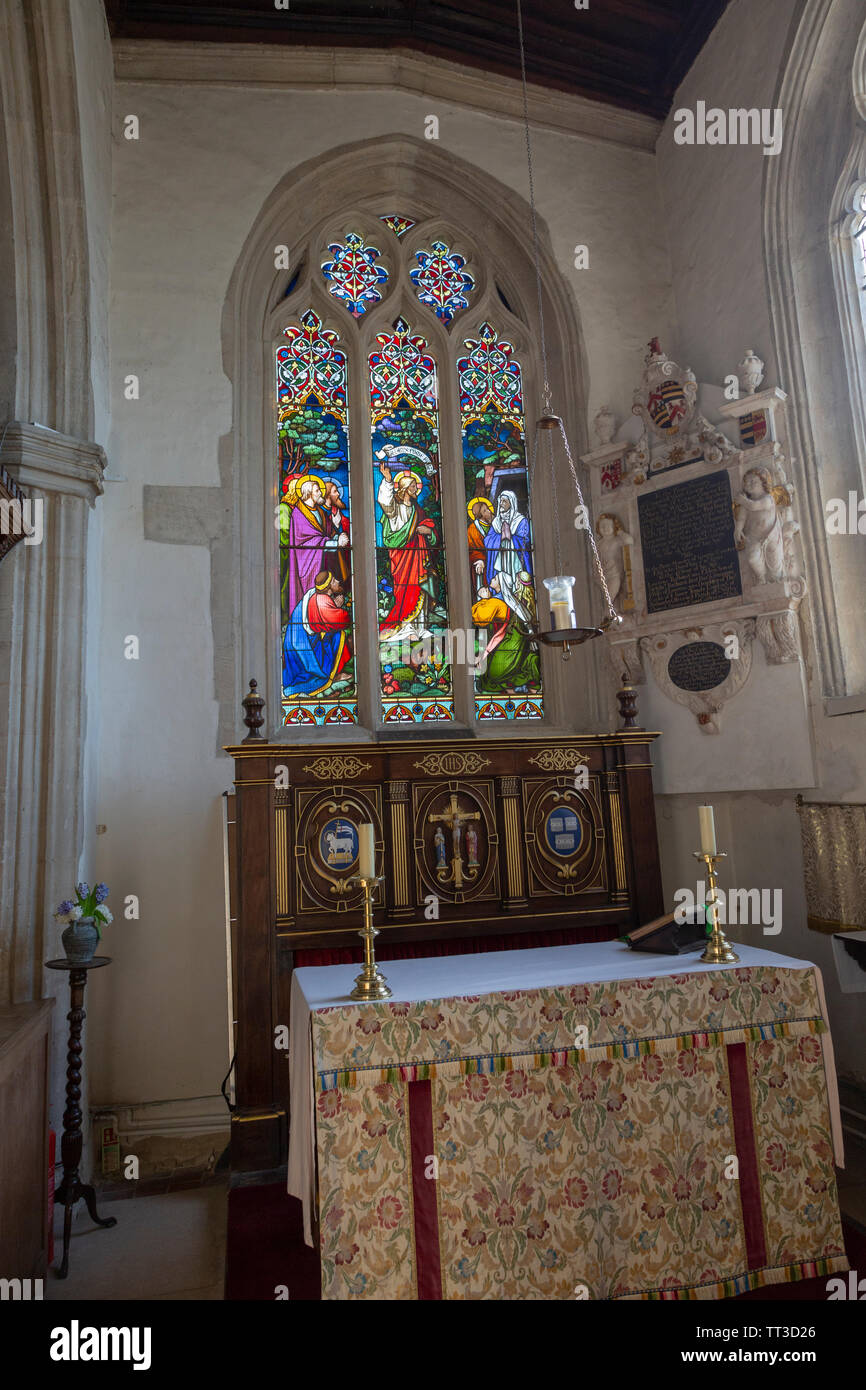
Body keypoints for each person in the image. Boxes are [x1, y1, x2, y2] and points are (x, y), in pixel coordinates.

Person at [376, 463, 439, 639]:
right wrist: (388, 480)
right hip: (402, 556)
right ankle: (407, 627)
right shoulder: (395, 509)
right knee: (406, 589)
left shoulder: (418, 510)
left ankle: (421, 626)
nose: (415, 489)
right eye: (412, 486)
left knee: (421, 586)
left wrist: (429, 532)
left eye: (415, 486)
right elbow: (384, 501)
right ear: (404, 489)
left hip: (419, 553)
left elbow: (430, 529)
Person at [282, 571, 352, 697]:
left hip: (310, 639)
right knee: (339, 636)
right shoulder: (322, 601)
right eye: (334, 580)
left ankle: (335, 673)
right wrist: (339, 607)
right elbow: (342, 620)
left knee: (335, 635)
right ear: (329, 586)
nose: (338, 581)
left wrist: (334, 605)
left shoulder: (319, 596)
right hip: (307, 646)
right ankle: (330, 676)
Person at [472, 587, 540, 695]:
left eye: (494, 578)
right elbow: (496, 635)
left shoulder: (495, 602)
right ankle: (513, 689)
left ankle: (517, 687)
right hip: (508, 641)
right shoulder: (498, 602)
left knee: (495, 672)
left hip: (511, 642)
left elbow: (479, 618)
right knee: (490, 671)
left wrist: (484, 599)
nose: (489, 584)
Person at [484, 490, 533, 622]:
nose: (501, 503)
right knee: (501, 581)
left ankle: (518, 606)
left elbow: (525, 540)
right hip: (500, 558)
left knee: (515, 584)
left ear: (511, 502)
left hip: (515, 560)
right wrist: (500, 537)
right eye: (500, 501)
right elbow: (488, 540)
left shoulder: (520, 521)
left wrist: (510, 538)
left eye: (504, 501)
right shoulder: (496, 523)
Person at [467, 497, 494, 593]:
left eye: (488, 509)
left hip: (494, 563)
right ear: (480, 514)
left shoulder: (495, 526)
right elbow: (471, 549)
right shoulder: (473, 529)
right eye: (485, 510)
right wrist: (479, 560)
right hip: (481, 566)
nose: (489, 512)